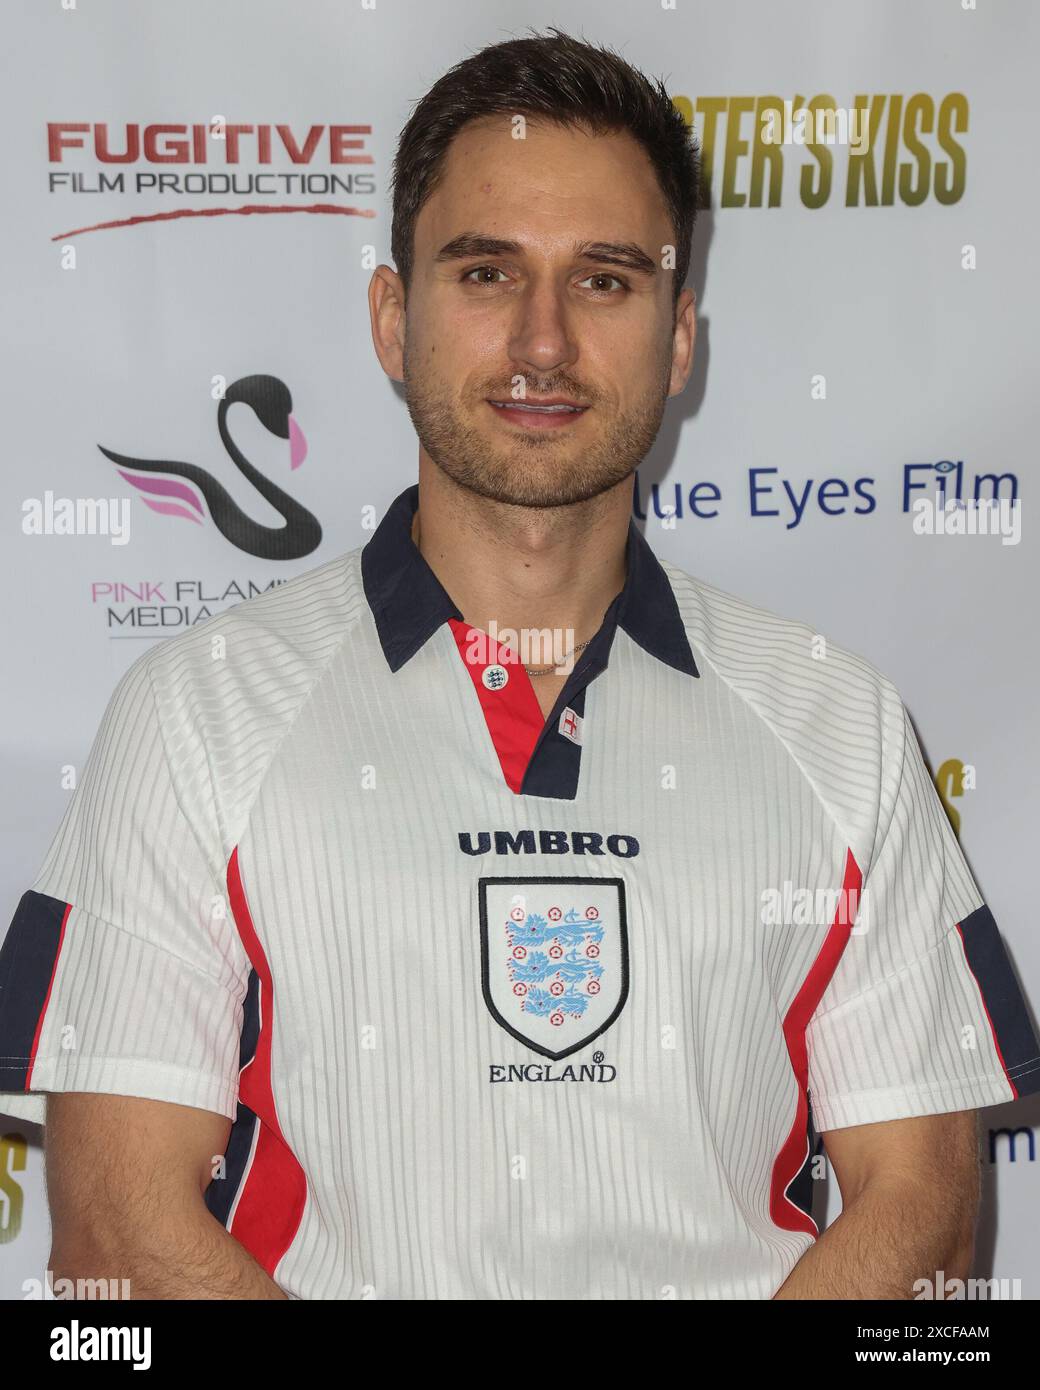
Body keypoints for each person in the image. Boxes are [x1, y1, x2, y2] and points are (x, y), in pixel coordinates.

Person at [1, 28, 1037, 1301]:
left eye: (604, 280)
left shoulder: (841, 723)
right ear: (393, 320)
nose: (541, 343)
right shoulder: (195, 716)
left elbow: (920, 1217)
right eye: (486, 274)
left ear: (677, 337)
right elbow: (117, 1244)